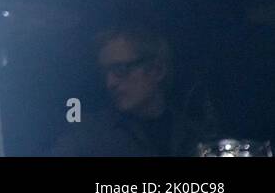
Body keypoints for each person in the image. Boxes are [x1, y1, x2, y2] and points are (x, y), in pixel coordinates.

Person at [51, 21, 219, 157]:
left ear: (157, 70)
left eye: (120, 70)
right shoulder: (86, 135)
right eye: (105, 73)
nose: (110, 83)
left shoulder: (194, 135)